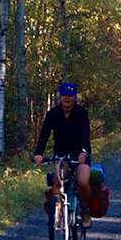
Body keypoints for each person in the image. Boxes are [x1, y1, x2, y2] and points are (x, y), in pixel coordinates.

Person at [32, 82, 93, 227]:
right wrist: (38, 153)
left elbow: (86, 133)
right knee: (58, 181)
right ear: (60, 97)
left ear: (75, 97)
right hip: (61, 154)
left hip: (80, 154)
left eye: (70, 96)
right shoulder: (53, 114)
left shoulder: (81, 112)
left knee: (83, 182)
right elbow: (44, 134)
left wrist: (84, 151)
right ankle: (57, 210)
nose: (67, 98)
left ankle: (85, 210)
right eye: (64, 95)